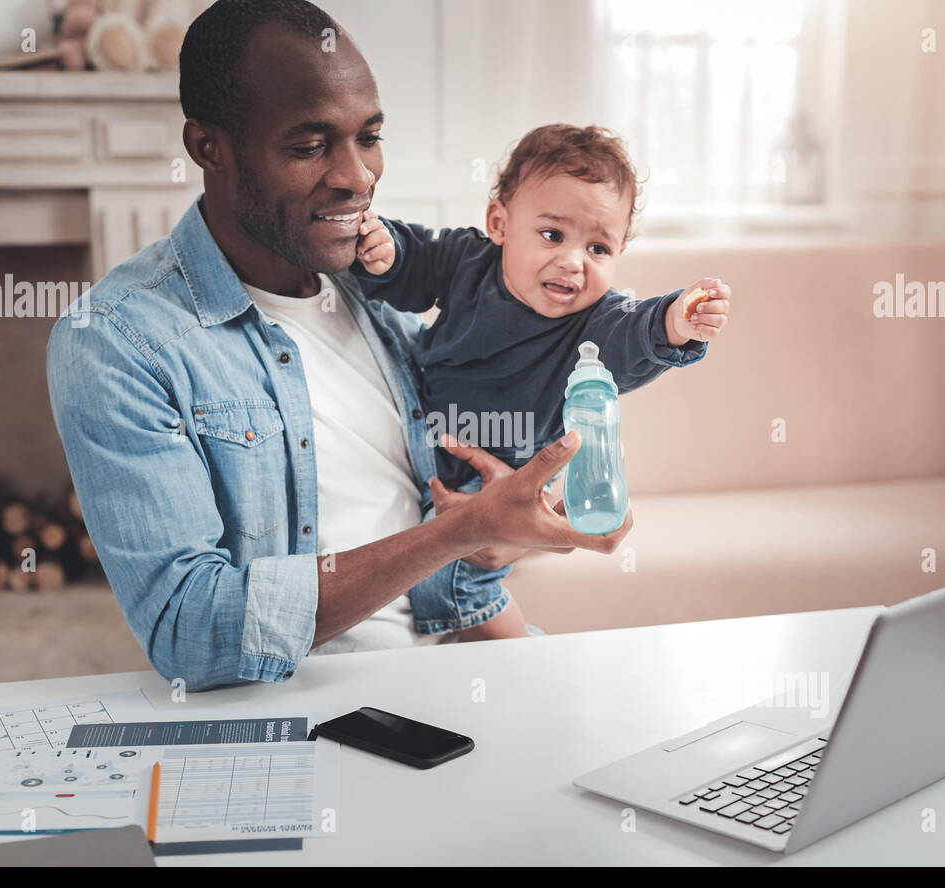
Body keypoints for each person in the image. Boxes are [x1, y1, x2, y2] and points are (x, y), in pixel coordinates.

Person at [45, 0, 631, 692]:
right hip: (320, 718)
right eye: (309, 145)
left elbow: (456, 494)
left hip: (478, 664)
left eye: (369, 137)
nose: (357, 176)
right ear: (210, 147)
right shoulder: (120, 340)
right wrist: (460, 532)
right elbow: (190, 631)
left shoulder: (381, 289)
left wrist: (506, 524)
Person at [352, 124, 732, 639]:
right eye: (552, 235)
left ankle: (524, 657)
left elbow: (637, 330)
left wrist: (676, 322)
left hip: (499, 481)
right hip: (422, 448)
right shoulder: (467, 261)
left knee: (459, 579)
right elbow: (415, 257)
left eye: (599, 248)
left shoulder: (594, 324)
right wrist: (387, 249)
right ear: (500, 223)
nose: (573, 261)